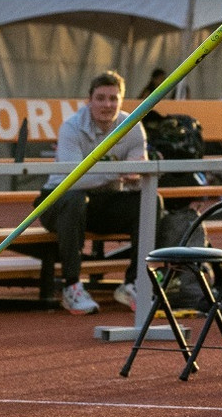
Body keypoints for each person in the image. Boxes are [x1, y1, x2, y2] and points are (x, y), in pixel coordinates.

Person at [40, 71, 148, 315]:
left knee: (151, 202)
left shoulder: (133, 127)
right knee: (75, 199)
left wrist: (136, 177)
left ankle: (134, 283)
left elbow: (138, 173)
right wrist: (117, 172)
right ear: (89, 100)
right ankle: (72, 287)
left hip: (103, 203)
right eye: (100, 98)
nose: (107, 105)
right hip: (58, 202)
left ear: (121, 101)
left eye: (113, 98)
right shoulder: (71, 128)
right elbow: (74, 180)